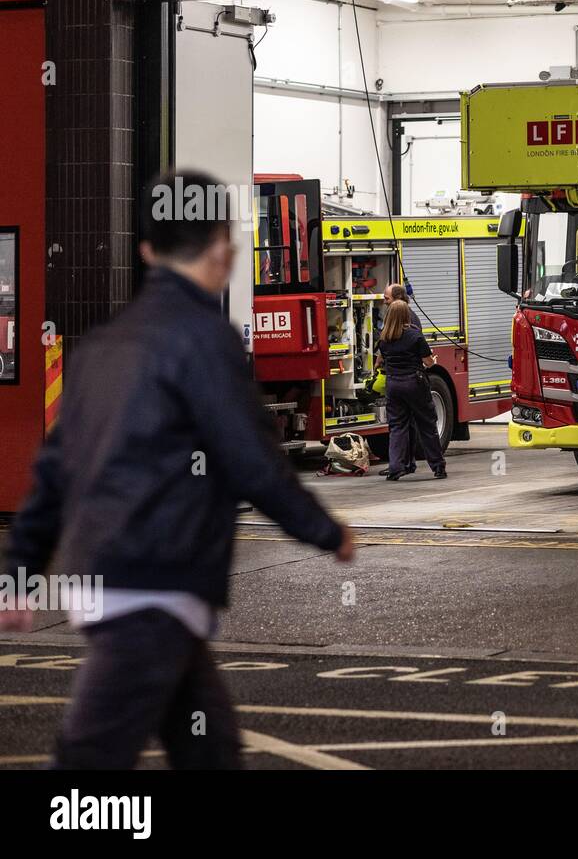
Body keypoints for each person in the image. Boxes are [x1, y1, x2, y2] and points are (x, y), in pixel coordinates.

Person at [0, 170, 355, 770]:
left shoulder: (102, 346)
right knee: (89, 759)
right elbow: (252, 461)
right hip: (153, 588)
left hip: (124, 582)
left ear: (145, 252)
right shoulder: (206, 340)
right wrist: (327, 531)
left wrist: (20, 572)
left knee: (210, 748)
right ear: (223, 246)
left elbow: (55, 475)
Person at [377, 299, 446, 481]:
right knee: (427, 424)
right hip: (414, 383)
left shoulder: (383, 339)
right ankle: (438, 466)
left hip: (393, 385)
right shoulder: (415, 336)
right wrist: (434, 360)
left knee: (397, 426)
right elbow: (428, 362)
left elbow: (381, 361)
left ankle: (395, 467)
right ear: (406, 315)